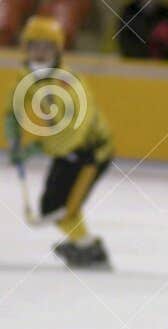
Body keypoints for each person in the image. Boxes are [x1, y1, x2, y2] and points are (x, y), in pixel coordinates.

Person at [5, 16, 114, 269]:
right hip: (64, 149)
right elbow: (13, 109)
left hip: (91, 152)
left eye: (47, 46)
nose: (40, 52)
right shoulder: (29, 77)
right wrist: (13, 133)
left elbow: (72, 133)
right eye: (34, 46)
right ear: (26, 48)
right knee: (51, 207)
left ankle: (89, 249)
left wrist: (32, 149)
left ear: (57, 50)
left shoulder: (70, 83)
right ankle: (83, 244)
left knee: (66, 209)